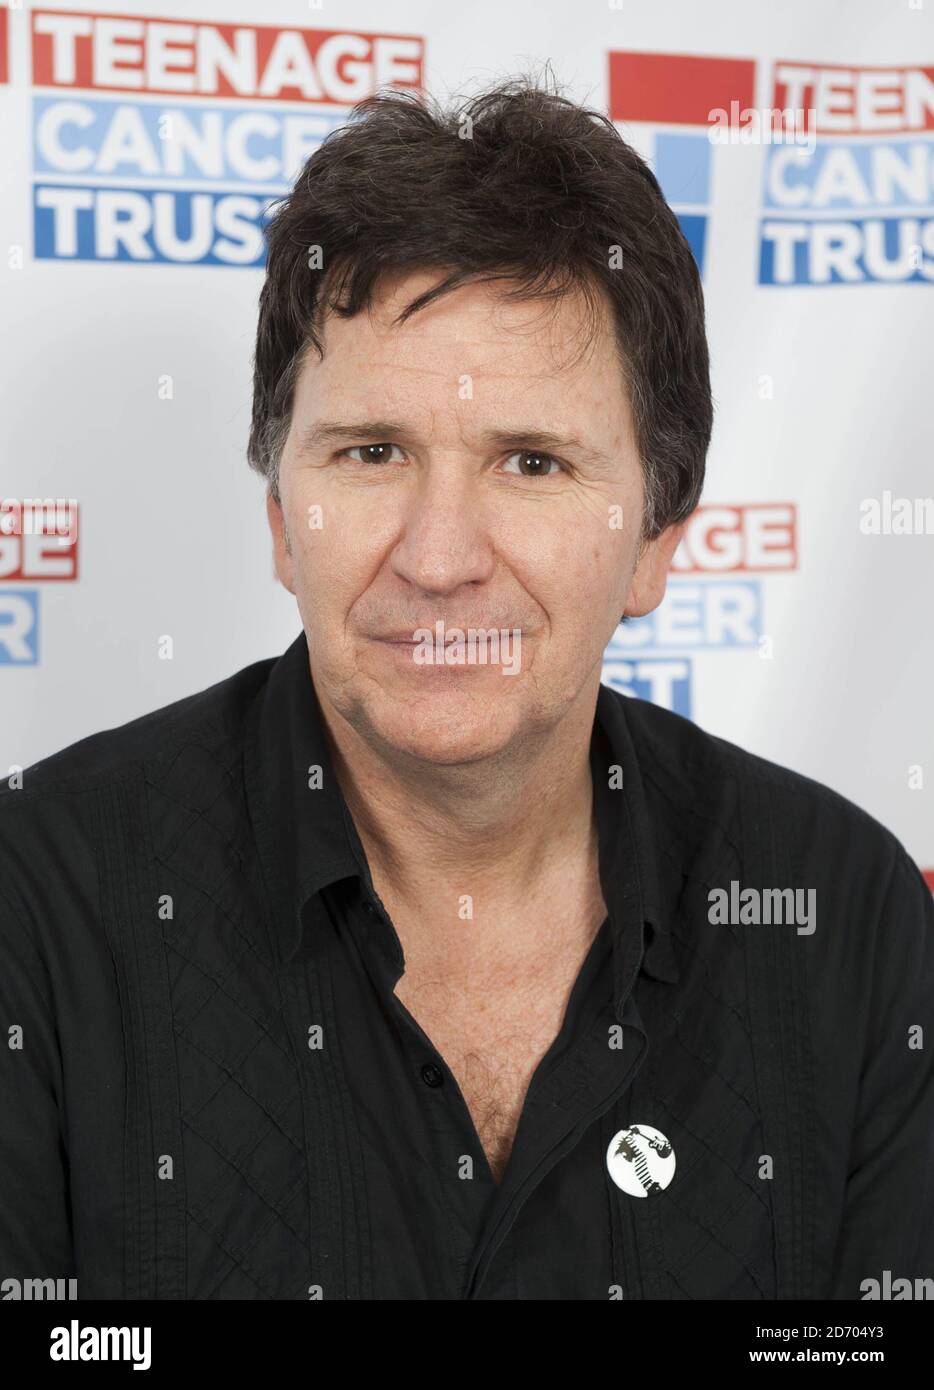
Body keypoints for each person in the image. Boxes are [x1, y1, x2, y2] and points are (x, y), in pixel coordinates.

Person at [1, 78, 932, 1302]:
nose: (439, 557)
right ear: (283, 519)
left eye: (531, 461)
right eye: (373, 452)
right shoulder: (38, 900)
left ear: (654, 538)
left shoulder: (841, 916)